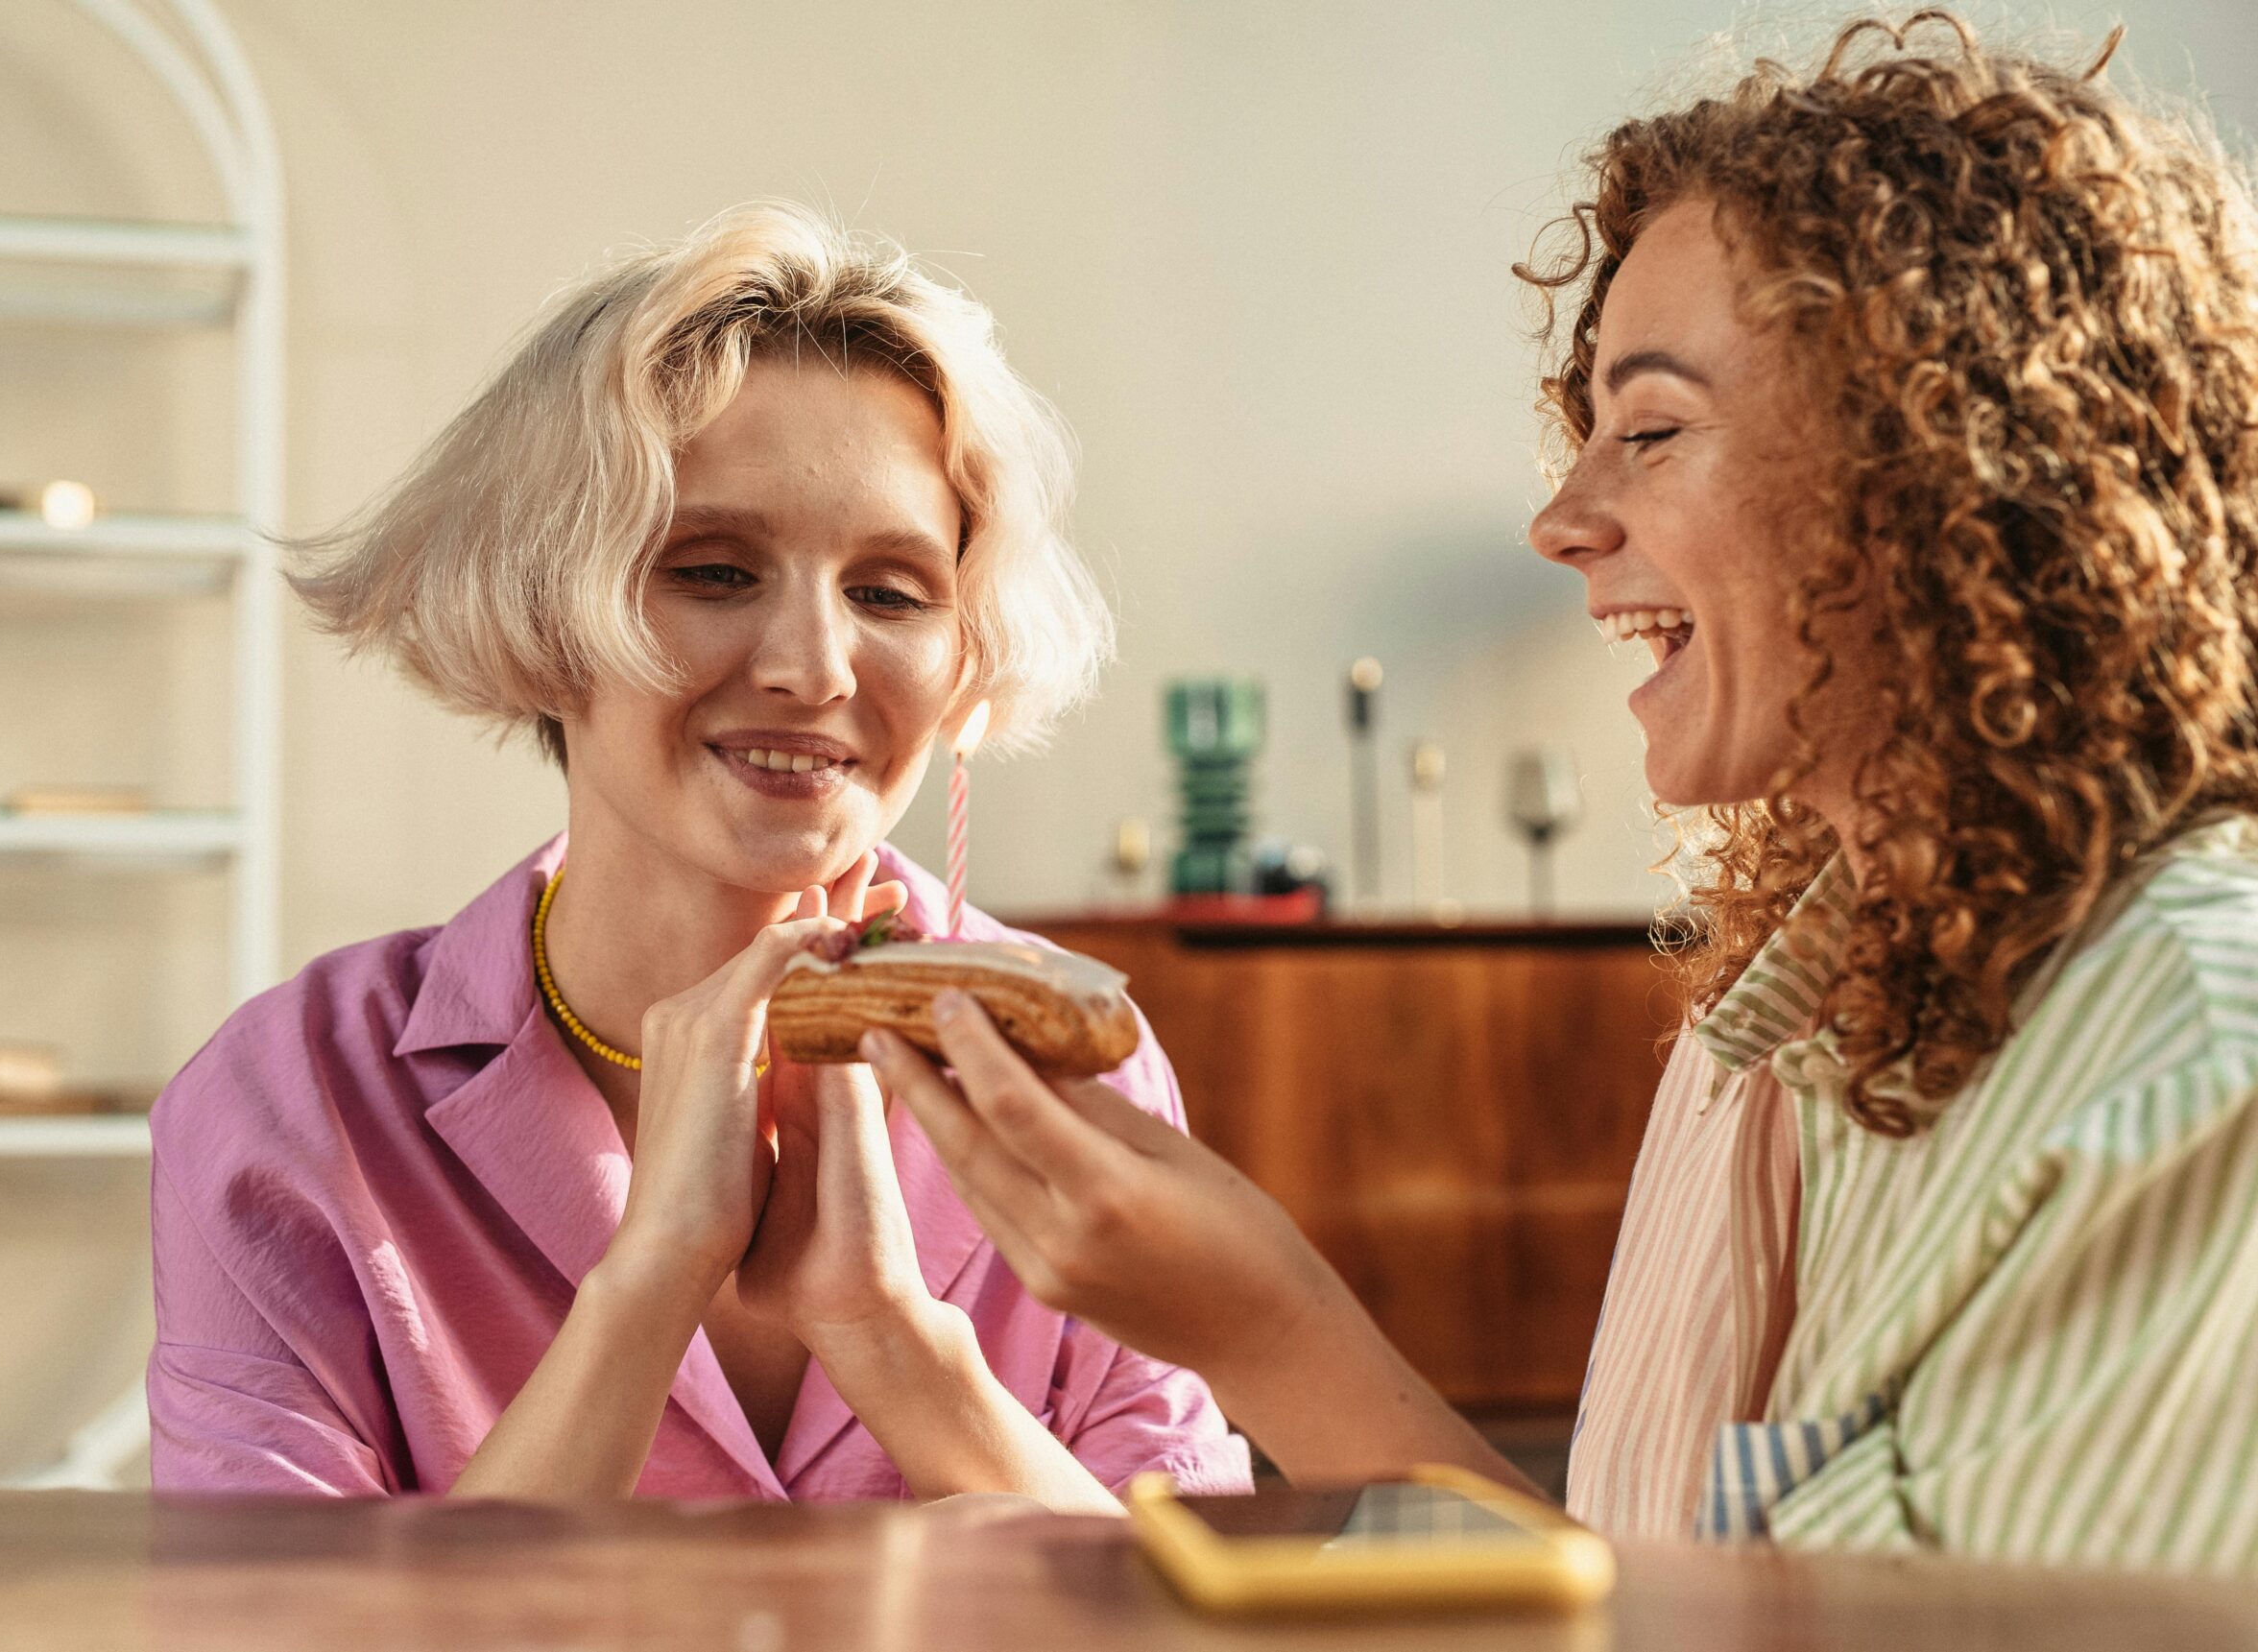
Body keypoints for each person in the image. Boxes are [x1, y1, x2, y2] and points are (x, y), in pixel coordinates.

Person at [866, 13, 2258, 1570]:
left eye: (1652, 430)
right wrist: (1264, 1325)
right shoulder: (1779, 1025)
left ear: (1954, 464)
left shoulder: (2196, 1070)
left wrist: (1263, 1315)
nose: (1562, 518)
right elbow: (1620, 1600)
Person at [145, 204, 1249, 1506]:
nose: (811, 667)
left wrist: (894, 1341)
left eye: (890, 591)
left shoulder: (1076, 1071)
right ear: (548, 613)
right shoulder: (287, 1099)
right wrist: (649, 1281)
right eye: (715, 571)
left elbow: (1196, 1616)